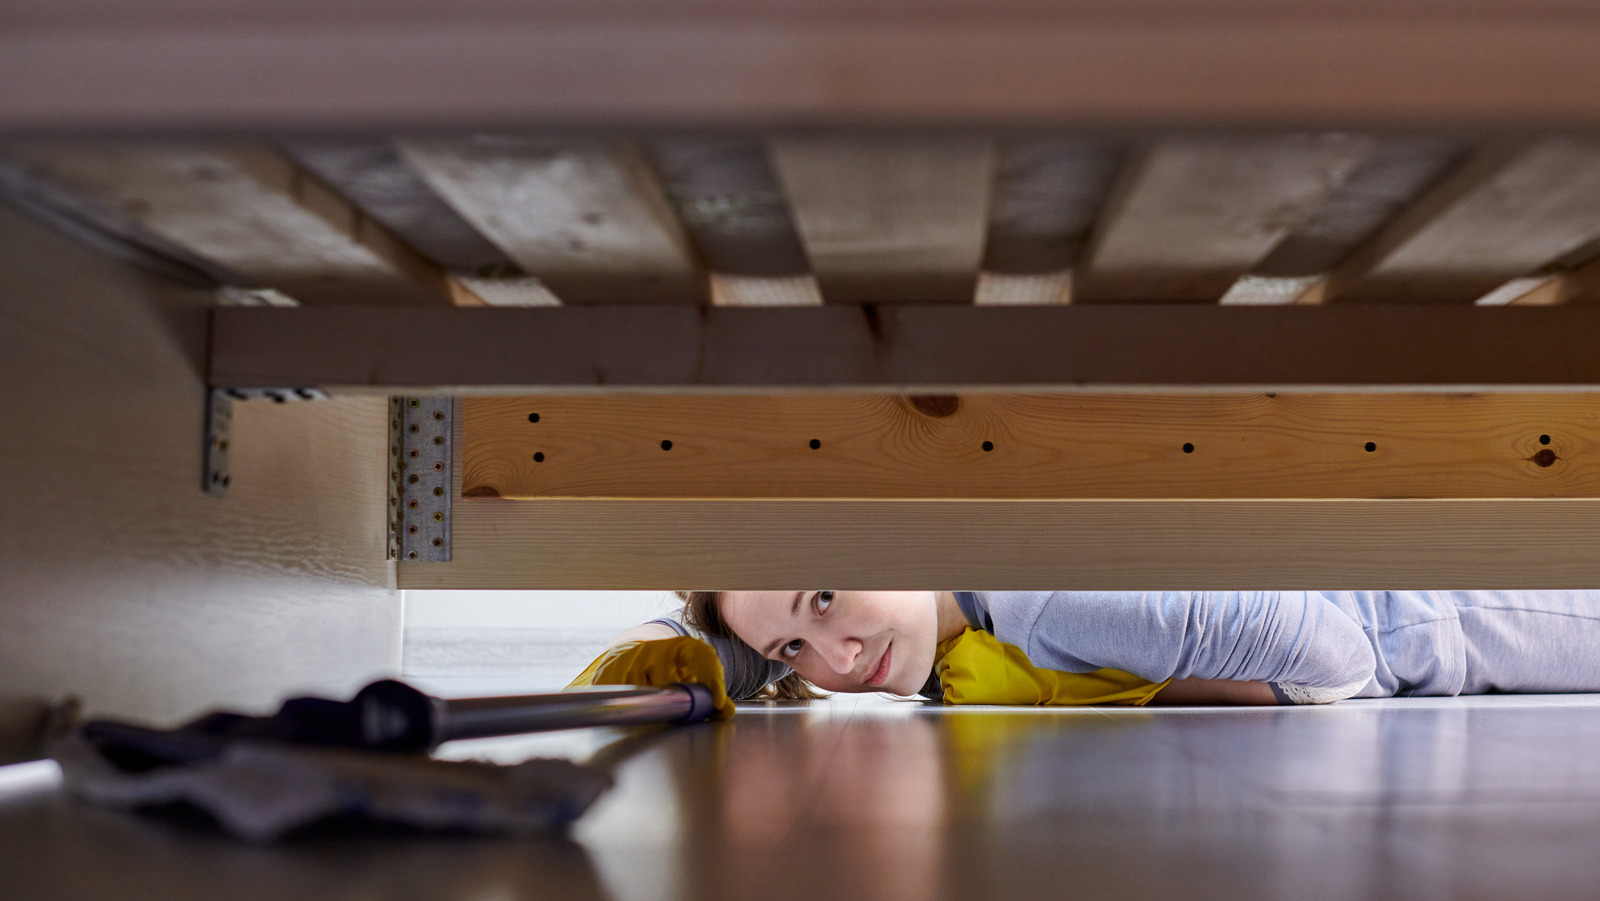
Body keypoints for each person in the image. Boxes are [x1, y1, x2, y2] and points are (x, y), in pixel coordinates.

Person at [568, 590, 1600, 711]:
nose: (835, 654)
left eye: (827, 599)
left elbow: (1331, 656)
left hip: (1463, 620)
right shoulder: (943, 649)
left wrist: (1185, 690)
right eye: (798, 644)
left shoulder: (1042, 603)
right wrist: (681, 646)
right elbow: (748, 643)